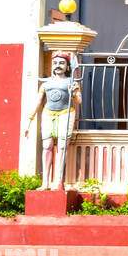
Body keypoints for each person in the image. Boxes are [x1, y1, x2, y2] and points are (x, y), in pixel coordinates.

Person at [23, 52, 81, 189]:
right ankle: (45, 182)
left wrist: (73, 93)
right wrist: (29, 121)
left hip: (65, 114)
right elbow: (38, 102)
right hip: (48, 114)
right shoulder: (46, 83)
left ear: (67, 66)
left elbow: (79, 100)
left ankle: (58, 181)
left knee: (62, 147)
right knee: (47, 146)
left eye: (61, 63)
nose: (58, 66)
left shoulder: (72, 82)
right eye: (55, 63)